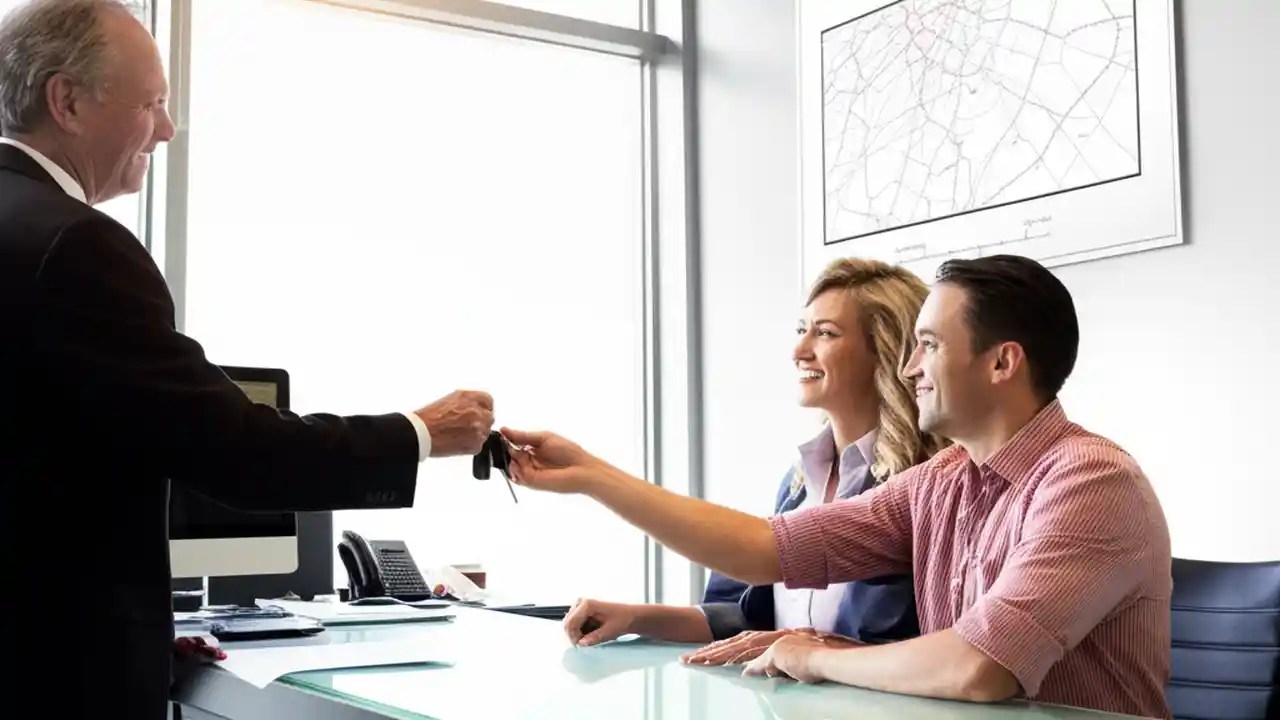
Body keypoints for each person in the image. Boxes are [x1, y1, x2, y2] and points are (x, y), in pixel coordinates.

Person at [0, 2, 494, 717]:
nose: (167, 128)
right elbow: (235, 451)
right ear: (67, 100)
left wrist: (142, 633)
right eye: (154, 103)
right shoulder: (75, 245)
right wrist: (420, 433)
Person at [504, 254, 1173, 719]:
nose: (911, 369)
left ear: (1002, 362)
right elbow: (765, 550)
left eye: (930, 346)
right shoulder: (940, 483)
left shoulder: (1091, 481)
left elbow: (979, 667)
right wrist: (594, 475)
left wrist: (814, 657)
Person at [564, 258, 947, 654]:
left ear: (885, 350)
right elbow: (747, 618)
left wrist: (809, 650)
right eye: (801, 330)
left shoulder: (924, 487)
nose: (799, 350)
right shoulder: (799, 481)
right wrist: (636, 617)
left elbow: (922, 647)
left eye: (826, 334)